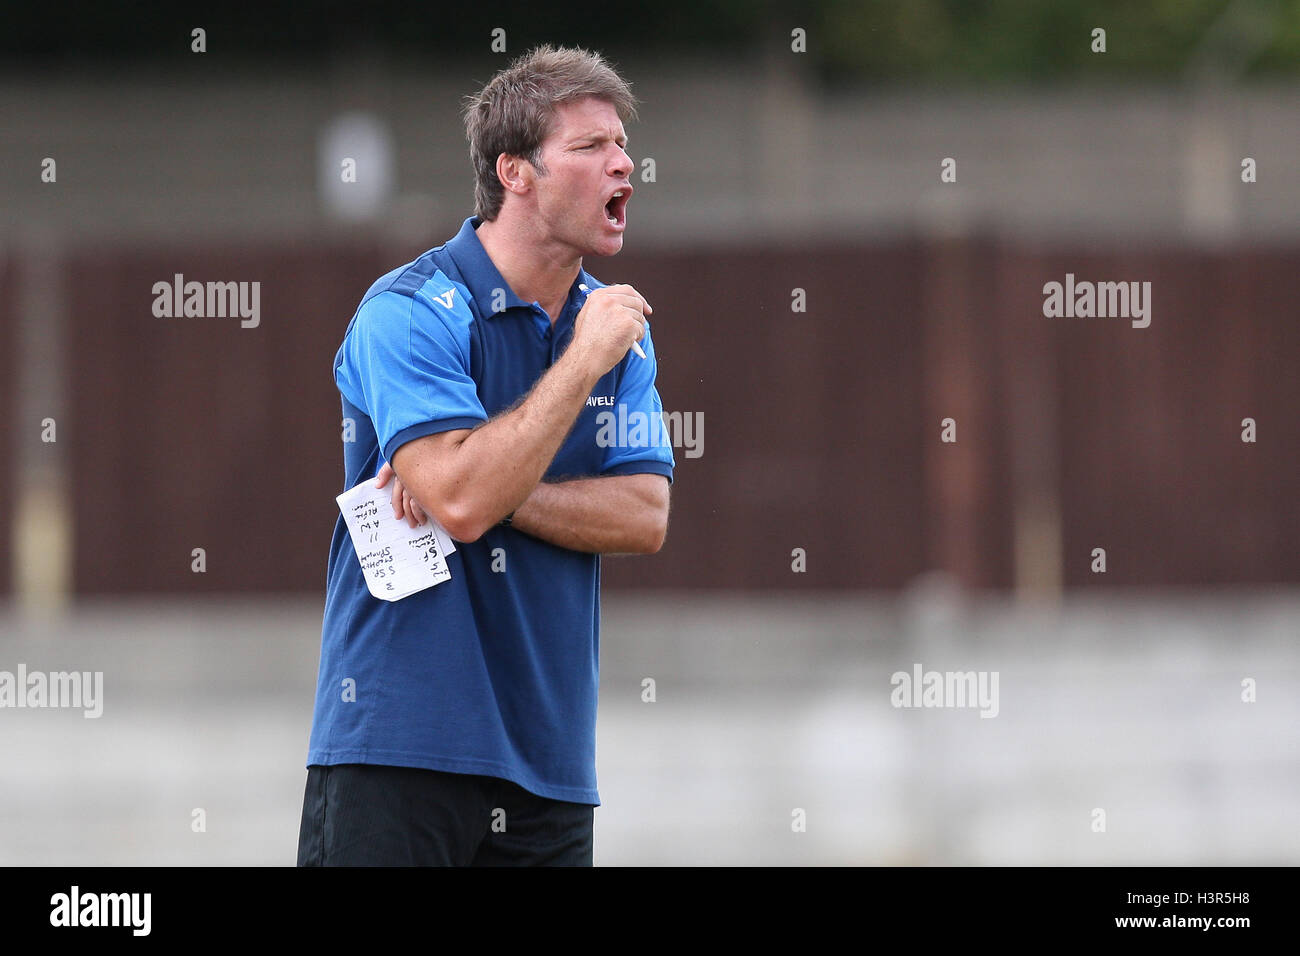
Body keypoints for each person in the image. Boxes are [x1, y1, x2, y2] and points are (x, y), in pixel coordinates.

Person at [296, 45, 673, 866]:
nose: (624, 164)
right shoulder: (409, 311)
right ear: (516, 173)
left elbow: (644, 515)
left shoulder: (618, 331)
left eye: (622, 145)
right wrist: (577, 366)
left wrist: (487, 479)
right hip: (396, 749)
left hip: (551, 767)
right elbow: (461, 504)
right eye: (591, 147)